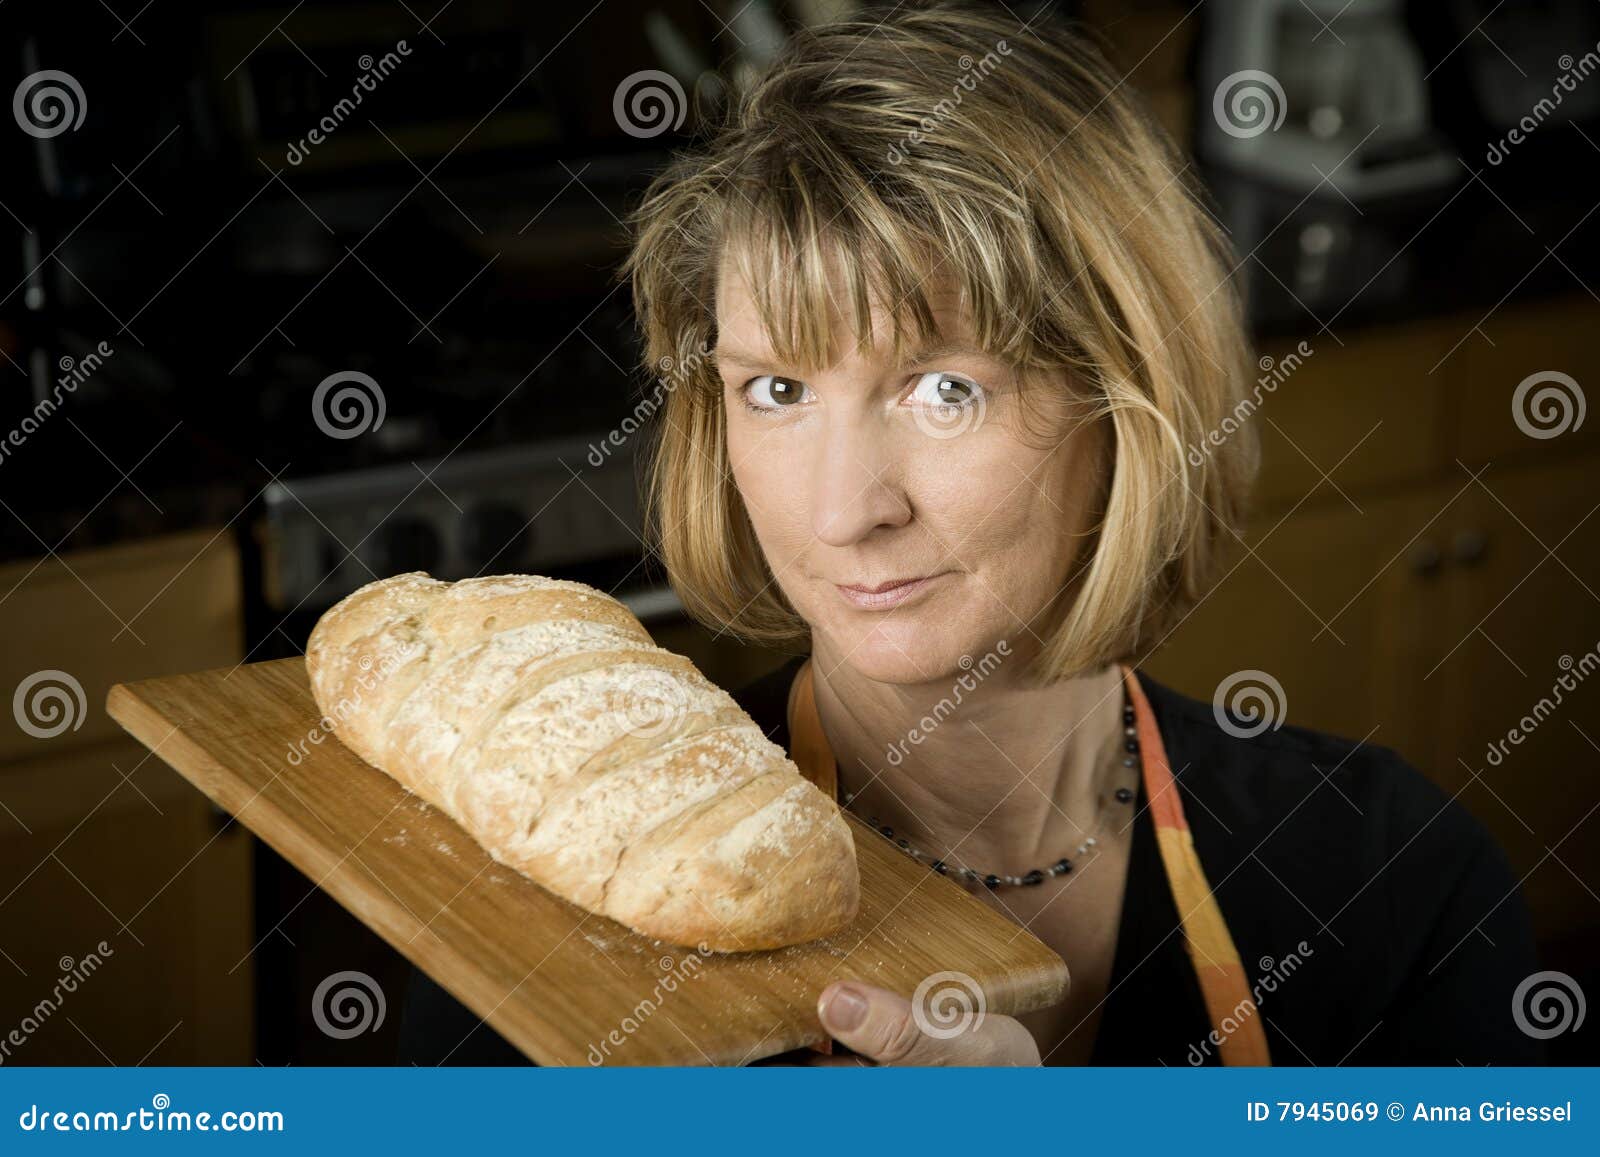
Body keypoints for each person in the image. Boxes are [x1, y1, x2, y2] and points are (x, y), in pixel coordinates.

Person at [395, 1, 1543, 1067]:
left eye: (945, 391)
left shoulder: (1388, 877)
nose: (845, 510)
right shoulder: (550, 914)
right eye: (778, 390)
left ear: (1126, 403)